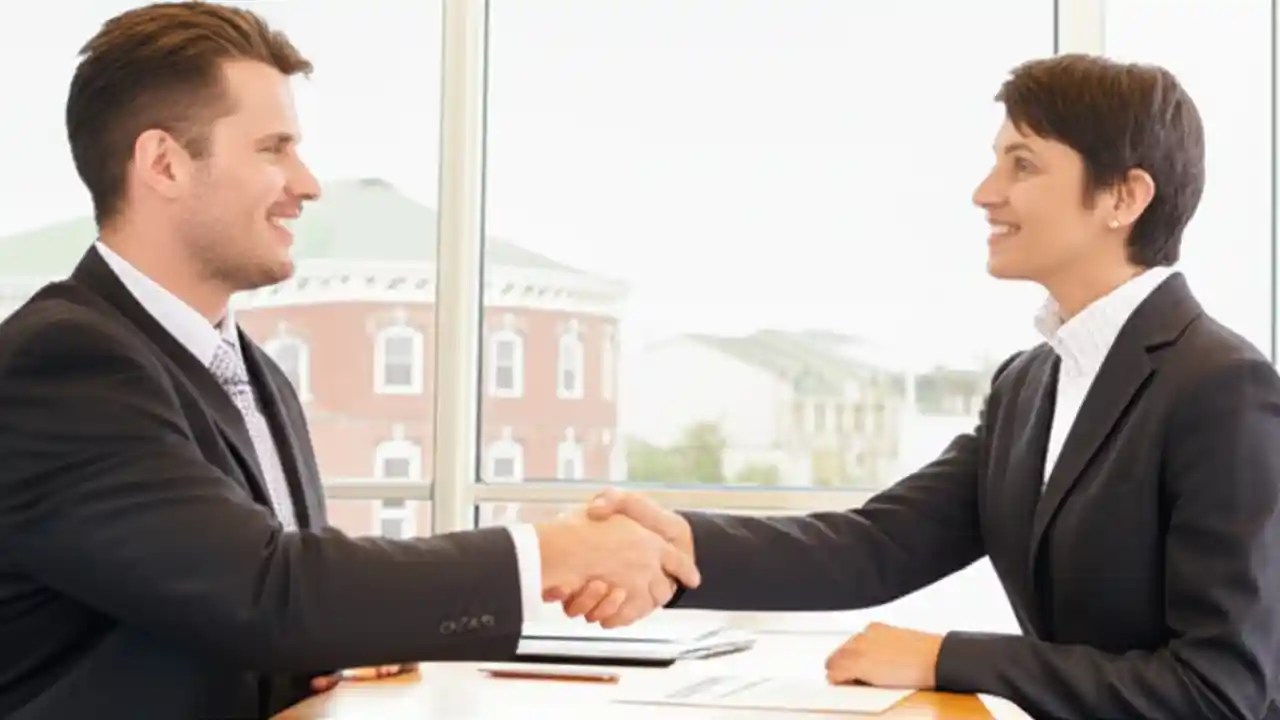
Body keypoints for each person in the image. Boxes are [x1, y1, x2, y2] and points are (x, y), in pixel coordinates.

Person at [0, 4, 698, 719]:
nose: (306, 183)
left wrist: (344, 635)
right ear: (165, 164)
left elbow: (244, 602)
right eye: (273, 148)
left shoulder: (254, 374)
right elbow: (266, 593)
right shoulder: (63, 364)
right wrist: (550, 554)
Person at [565, 54, 1280, 720]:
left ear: (1123, 196)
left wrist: (947, 656)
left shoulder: (1222, 391)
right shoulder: (1030, 385)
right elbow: (875, 546)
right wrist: (675, 543)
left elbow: (1219, 691)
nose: (985, 193)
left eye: (1022, 164)